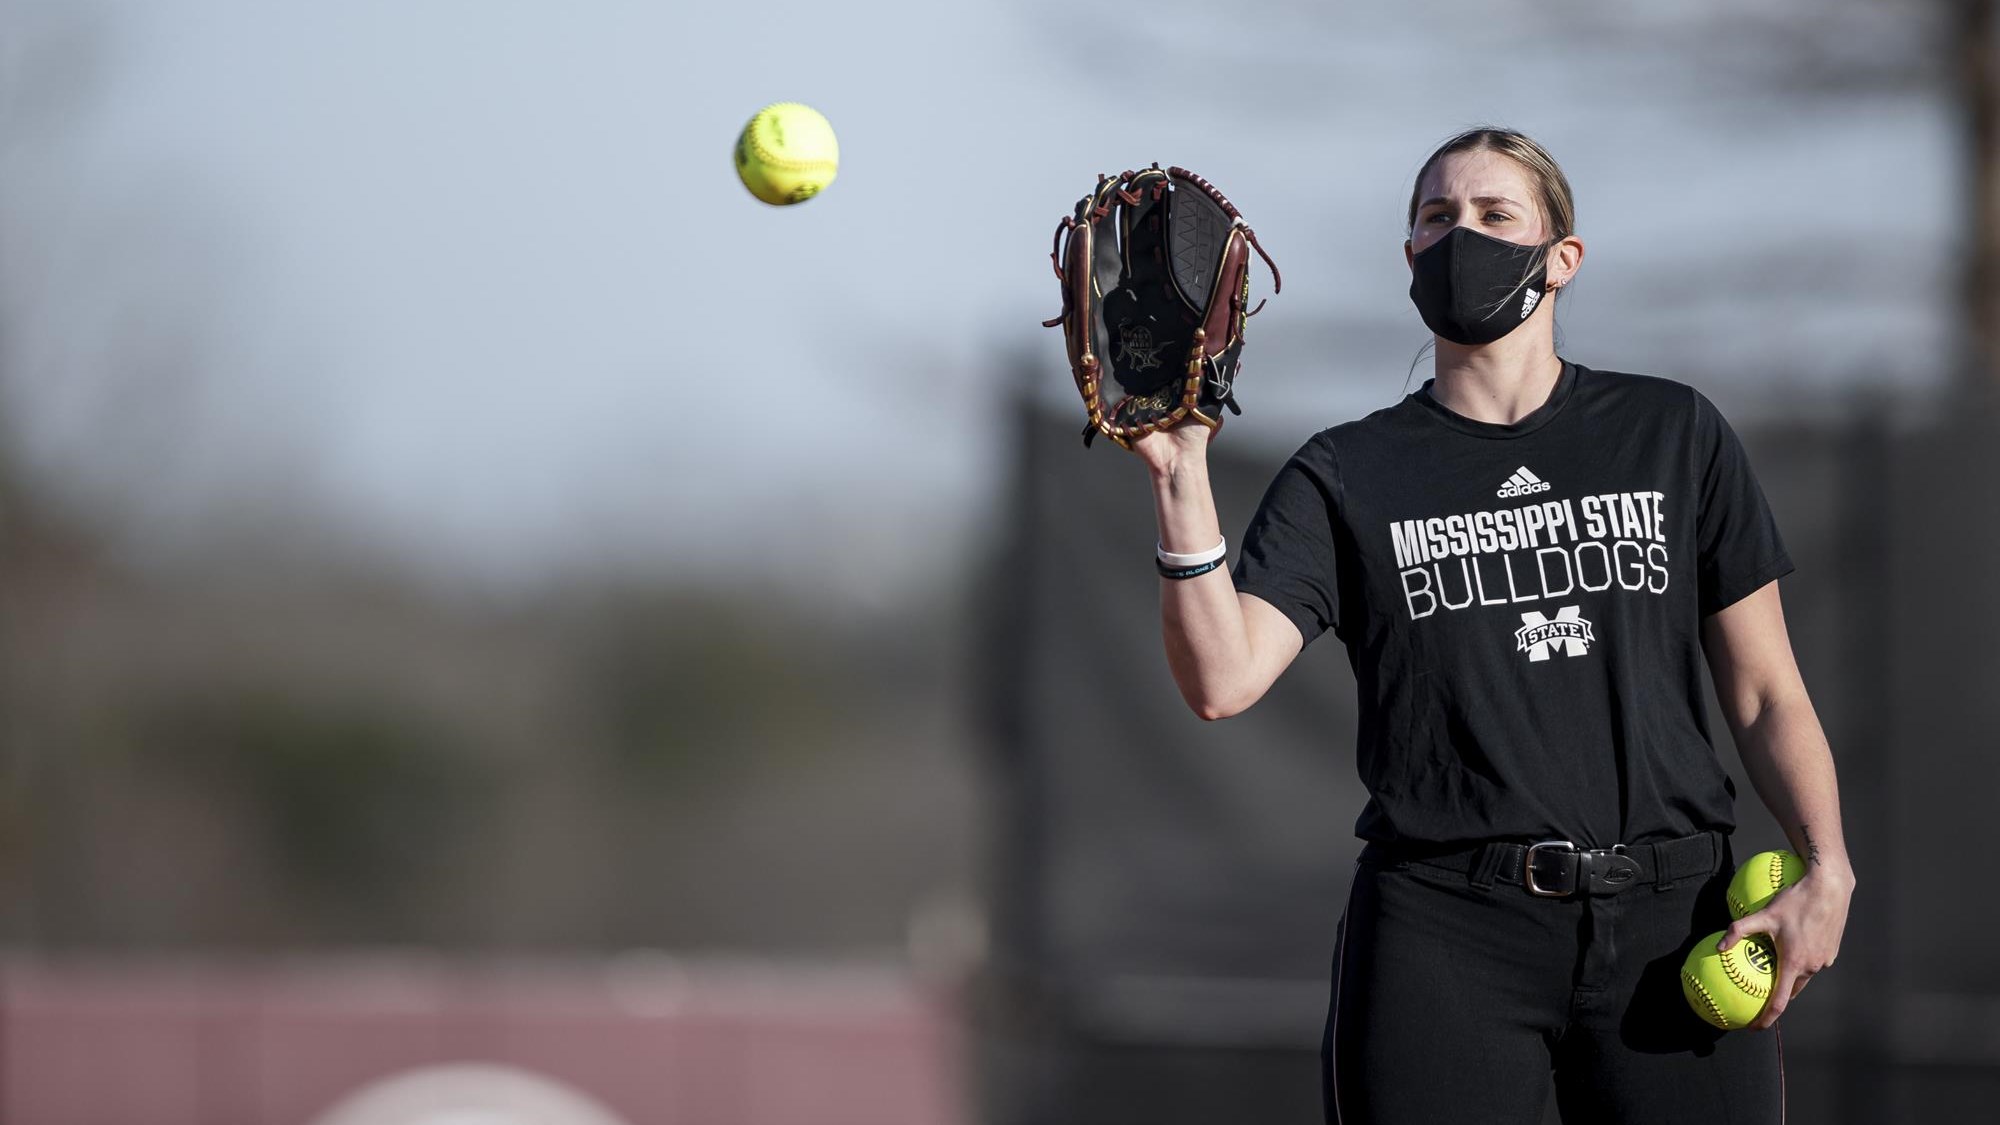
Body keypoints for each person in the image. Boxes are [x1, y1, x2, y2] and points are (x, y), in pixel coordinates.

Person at [1133, 126, 1856, 1124]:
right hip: (1447, 929)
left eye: (1493, 214)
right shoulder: (1348, 471)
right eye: (1436, 218)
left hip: (1668, 919)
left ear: (1562, 259)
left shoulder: (1668, 433)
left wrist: (1826, 865)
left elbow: (1765, 688)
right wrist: (1182, 479)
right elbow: (1221, 680)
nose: (1460, 234)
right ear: (1410, 261)